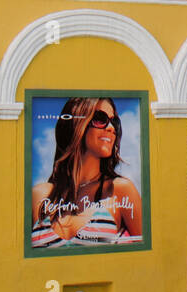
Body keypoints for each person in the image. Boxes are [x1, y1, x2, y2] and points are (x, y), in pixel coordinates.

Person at [30, 96, 143, 247]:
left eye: (114, 121)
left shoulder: (120, 190)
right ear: (76, 124)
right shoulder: (39, 195)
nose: (111, 128)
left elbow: (149, 256)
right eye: (100, 118)